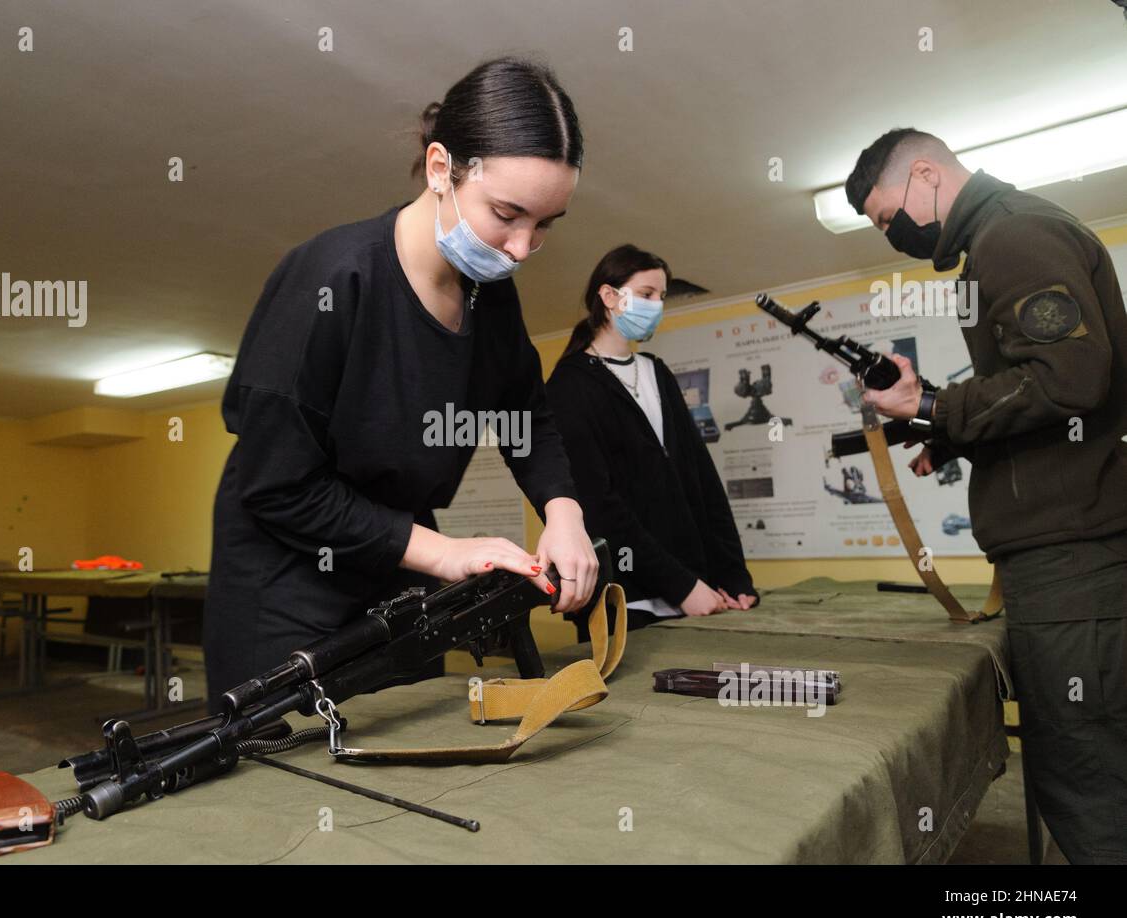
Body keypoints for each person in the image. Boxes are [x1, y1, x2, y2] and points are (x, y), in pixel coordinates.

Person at [203, 57, 599, 708]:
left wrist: (564, 512)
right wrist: (443, 552)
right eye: (507, 213)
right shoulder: (331, 279)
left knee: (411, 736)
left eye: (545, 225)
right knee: (285, 769)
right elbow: (277, 484)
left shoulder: (490, 299)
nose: (522, 249)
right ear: (442, 168)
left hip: (397, 564)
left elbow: (527, 416)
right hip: (286, 574)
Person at [846, 127, 1127, 864]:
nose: (892, 235)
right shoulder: (1006, 238)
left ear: (928, 176)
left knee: (1084, 772)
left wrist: (937, 410)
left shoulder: (1012, 235)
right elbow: (1049, 388)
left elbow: (1072, 380)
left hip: (1072, 560)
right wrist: (946, 426)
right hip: (1076, 551)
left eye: (887, 217)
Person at [545, 244, 757, 634]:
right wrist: (682, 586)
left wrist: (734, 576)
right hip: (627, 599)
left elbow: (704, 484)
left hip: (697, 594)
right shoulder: (569, 386)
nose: (657, 305)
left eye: (661, 297)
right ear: (609, 297)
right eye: (646, 295)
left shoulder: (657, 372)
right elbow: (600, 507)